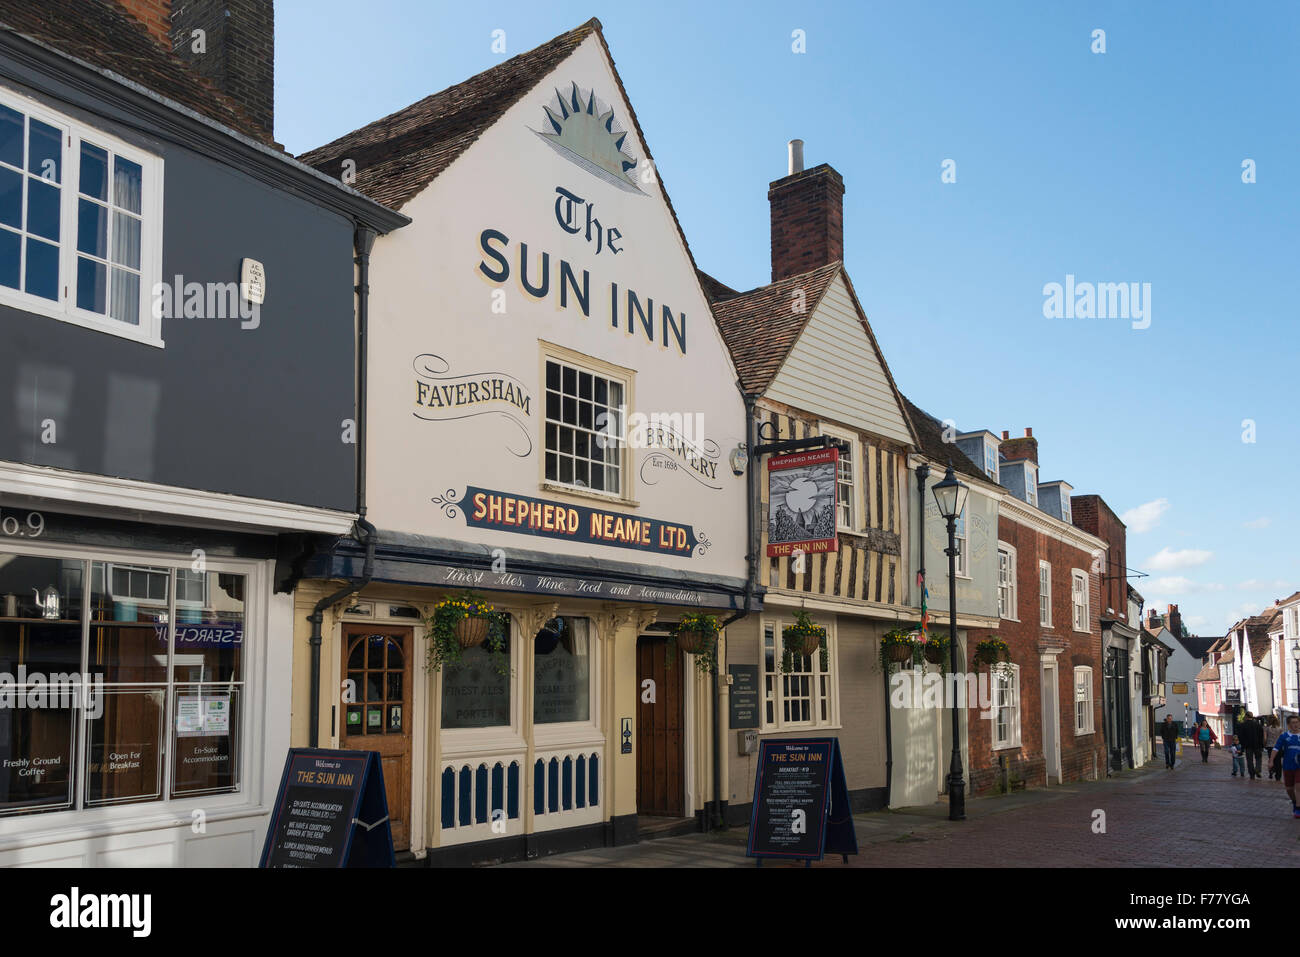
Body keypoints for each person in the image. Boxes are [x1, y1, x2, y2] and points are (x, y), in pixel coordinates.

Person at [1270, 714, 1300, 818]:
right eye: (1293, 723)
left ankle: (1298, 808)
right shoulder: (1284, 736)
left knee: (1298, 786)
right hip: (1288, 766)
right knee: (1289, 789)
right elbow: (1276, 748)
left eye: (1297, 722)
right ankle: (1295, 802)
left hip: (1299, 766)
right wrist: (1271, 761)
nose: (1295, 725)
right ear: (1288, 725)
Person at [1238, 711, 1265, 779]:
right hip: (1257, 745)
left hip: (1248, 746)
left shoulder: (1243, 725)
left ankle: (1252, 774)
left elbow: (1241, 737)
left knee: (1249, 760)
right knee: (1258, 758)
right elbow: (1261, 736)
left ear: (1246, 716)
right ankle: (1257, 769)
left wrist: (1242, 746)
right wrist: (1262, 745)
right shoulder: (1258, 725)